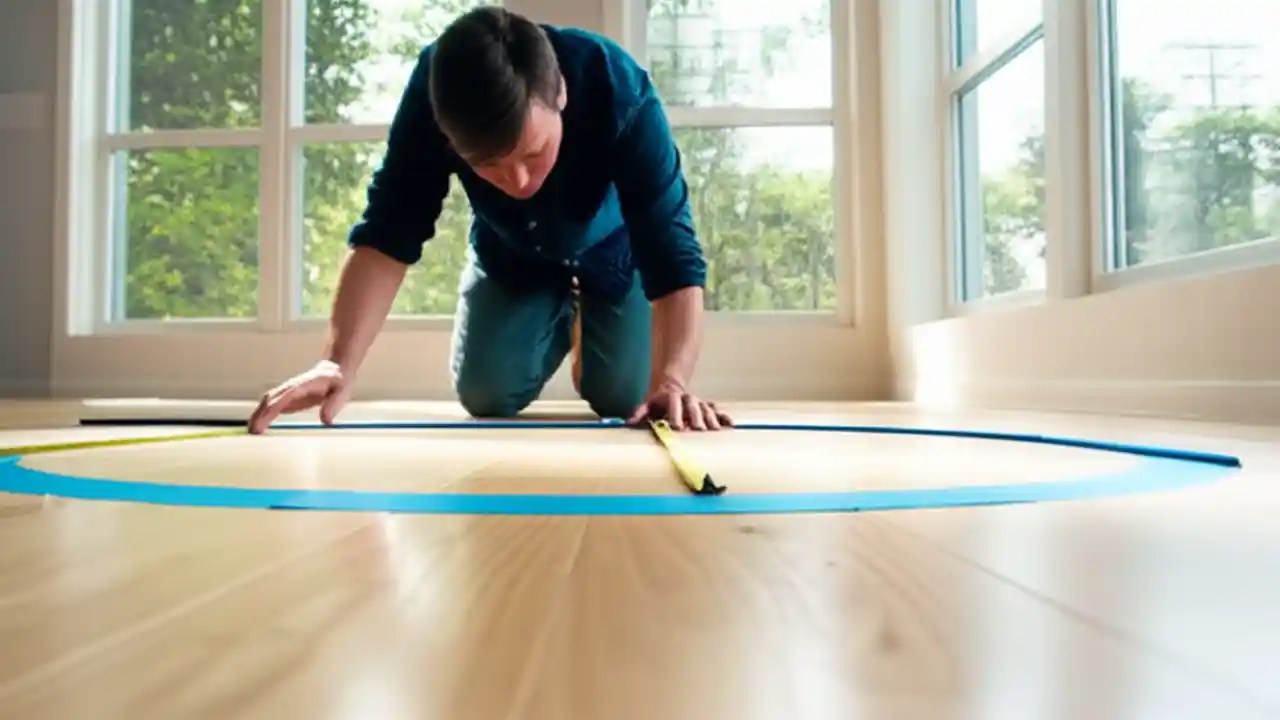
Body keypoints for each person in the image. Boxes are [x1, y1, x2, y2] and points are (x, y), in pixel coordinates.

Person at [248, 6, 731, 434]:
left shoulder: (620, 88)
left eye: (534, 152)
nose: (518, 182)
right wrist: (336, 363)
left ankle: (592, 322)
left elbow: (673, 253)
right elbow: (387, 233)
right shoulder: (433, 96)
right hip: (512, 250)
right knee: (486, 396)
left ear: (560, 92)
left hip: (616, 250)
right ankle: (554, 309)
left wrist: (672, 379)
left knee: (630, 399)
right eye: (488, 166)